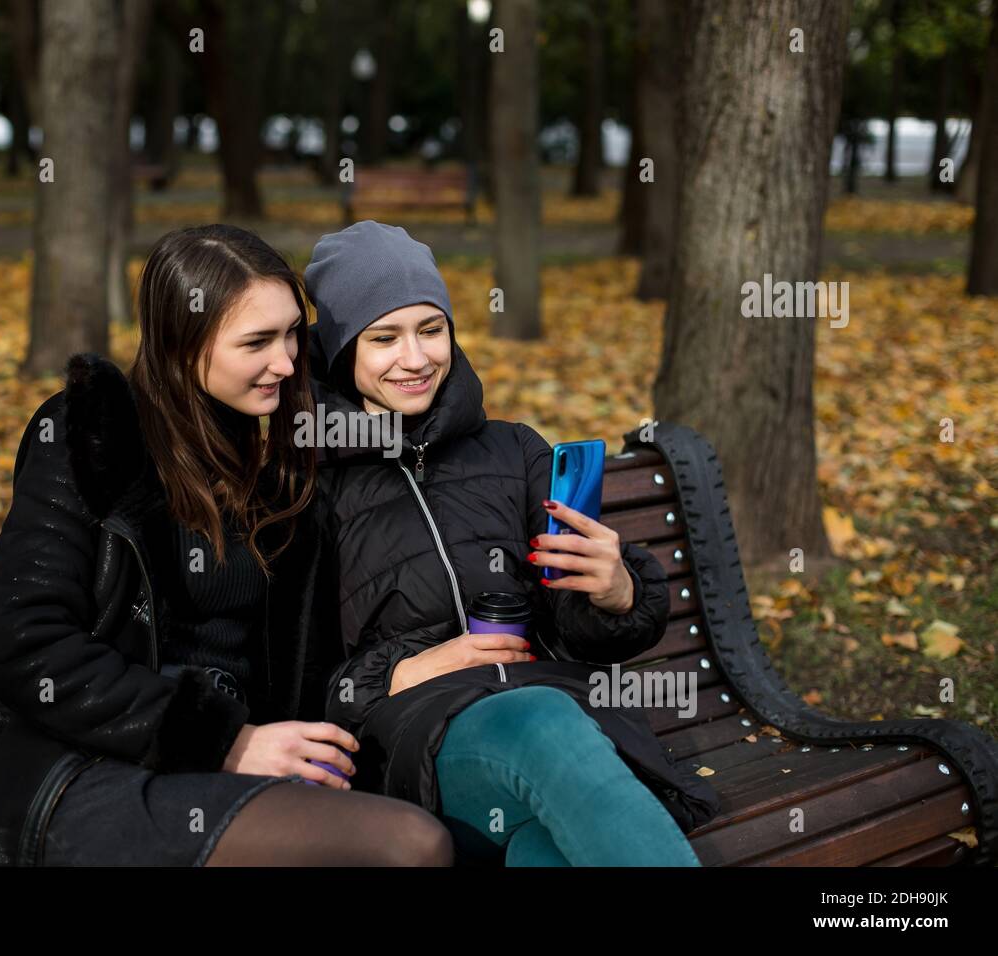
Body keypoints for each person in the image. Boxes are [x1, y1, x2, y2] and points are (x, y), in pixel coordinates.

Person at [0, 224, 453, 866]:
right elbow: (29, 646)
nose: (285, 361)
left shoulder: (278, 454)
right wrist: (221, 739)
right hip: (88, 771)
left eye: (291, 335)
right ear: (182, 346)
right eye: (256, 342)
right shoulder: (92, 438)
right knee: (409, 847)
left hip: (237, 772)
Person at [304, 220, 721, 866]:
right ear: (340, 353)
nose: (415, 359)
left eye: (431, 329)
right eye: (384, 338)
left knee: (541, 850)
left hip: (556, 723)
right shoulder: (311, 487)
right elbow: (300, 680)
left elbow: (577, 630)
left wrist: (617, 592)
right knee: (540, 722)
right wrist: (403, 671)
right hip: (418, 744)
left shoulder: (514, 450)